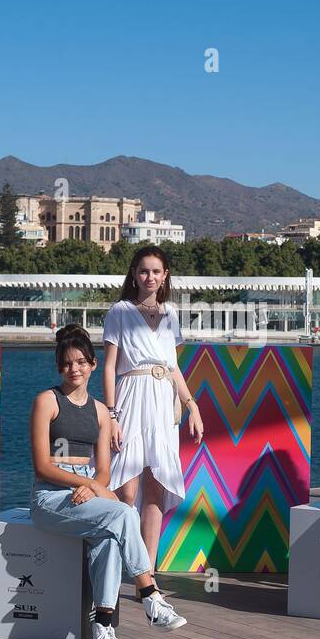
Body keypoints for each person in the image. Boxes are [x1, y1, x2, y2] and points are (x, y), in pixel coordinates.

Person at [30, 325, 187, 639]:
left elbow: (103, 469)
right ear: (59, 366)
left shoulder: (101, 411)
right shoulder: (47, 401)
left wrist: (93, 486)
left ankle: (102, 631)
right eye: (67, 363)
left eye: (81, 362)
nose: (74, 369)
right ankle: (150, 594)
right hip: (52, 496)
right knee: (124, 513)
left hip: (87, 487)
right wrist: (86, 486)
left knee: (108, 536)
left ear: (93, 365)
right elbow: (42, 466)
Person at [102, 246, 204, 579]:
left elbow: (173, 368)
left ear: (165, 276)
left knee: (156, 485)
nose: (150, 277)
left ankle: (146, 577)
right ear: (133, 274)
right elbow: (109, 367)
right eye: (144, 271)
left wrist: (192, 404)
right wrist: (112, 415)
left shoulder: (171, 313)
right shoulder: (119, 311)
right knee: (126, 488)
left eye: (156, 272)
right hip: (131, 396)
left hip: (163, 401)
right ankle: (114, 567)